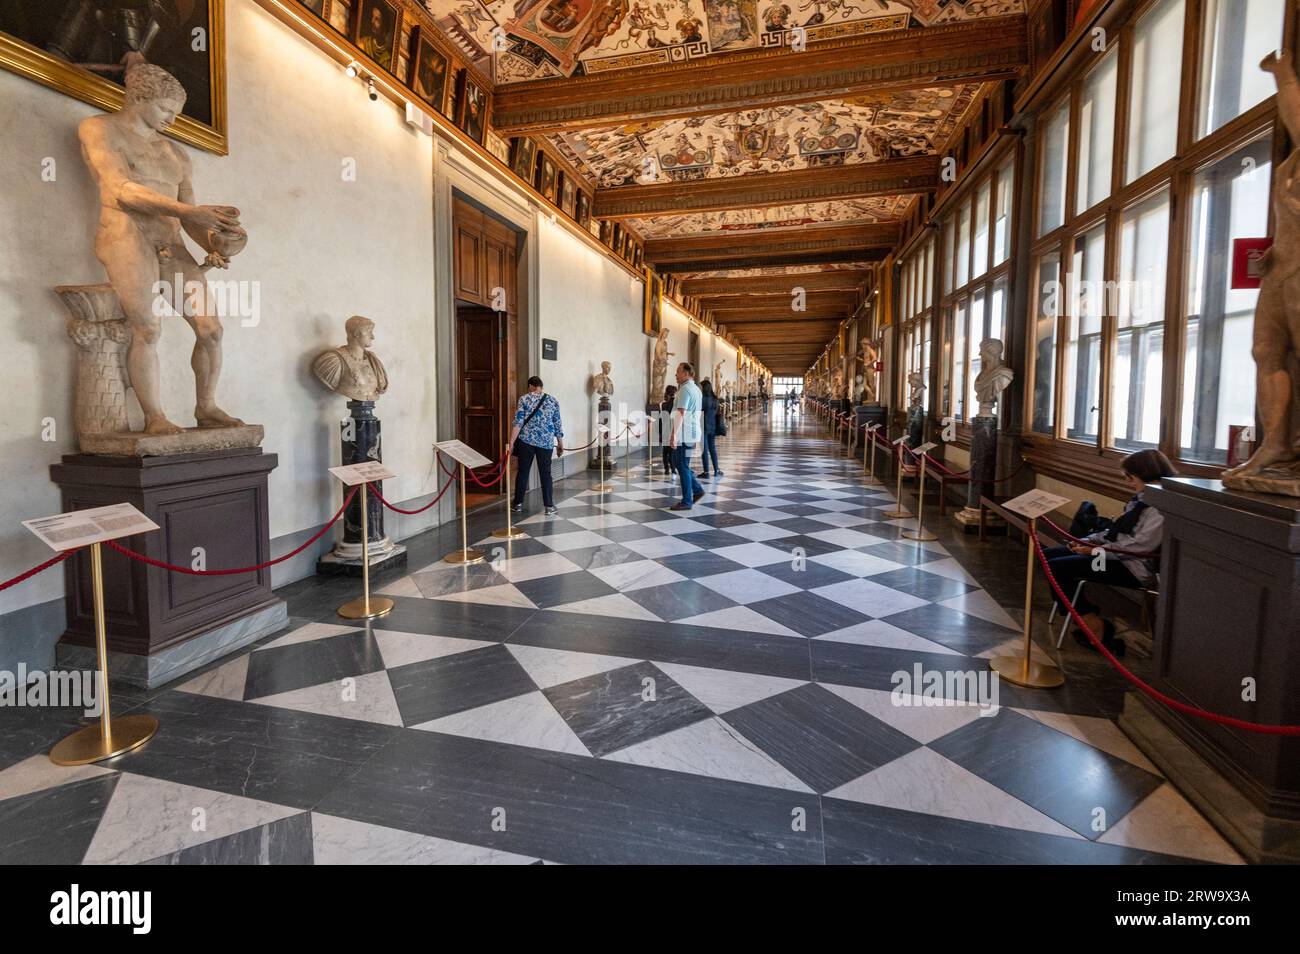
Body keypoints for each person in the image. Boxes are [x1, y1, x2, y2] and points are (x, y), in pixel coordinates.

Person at [1042, 449, 1177, 657]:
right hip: (1114, 555)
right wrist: (1085, 542)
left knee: (1058, 566)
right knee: (1049, 555)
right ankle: (1081, 615)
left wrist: (1094, 551)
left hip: (1132, 567)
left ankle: (1091, 622)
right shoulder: (1143, 498)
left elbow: (1140, 546)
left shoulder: (1160, 506)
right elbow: (1117, 531)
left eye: (1130, 477)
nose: (1128, 482)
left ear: (1145, 474)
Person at [508, 376, 564, 516]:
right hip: (546, 442)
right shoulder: (552, 400)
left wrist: (512, 442)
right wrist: (560, 443)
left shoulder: (524, 399)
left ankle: (518, 504)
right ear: (541, 386)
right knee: (546, 474)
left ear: (531, 386)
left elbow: (518, 422)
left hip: (526, 441)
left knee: (523, 472)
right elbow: (557, 423)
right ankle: (549, 506)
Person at [667, 362, 705, 511]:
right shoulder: (696, 389)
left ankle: (687, 501)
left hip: (684, 433)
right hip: (692, 432)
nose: (675, 374)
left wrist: (674, 435)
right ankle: (697, 490)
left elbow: (680, 413)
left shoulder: (684, 390)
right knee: (681, 464)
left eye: (678, 371)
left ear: (686, 373)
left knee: (681, 466)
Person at [698, 379, 724, 478]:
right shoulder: (715, 399)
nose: (699, 388)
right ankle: (717, 470)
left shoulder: (703, 399)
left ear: (704, 387)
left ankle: (706, 472)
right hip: (712, 426)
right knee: (712, 448)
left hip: (703, 426)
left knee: (704, 450)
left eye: (700, 387)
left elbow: (698, 412)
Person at [659, 384, 677, 478]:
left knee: (665, 451)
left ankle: (666, 469)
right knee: (672, 451)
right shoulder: (677, 403)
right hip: (674, 428)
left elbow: (661, 418)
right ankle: (673, 469)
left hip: (665, 428)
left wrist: (660, 431)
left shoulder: (663, 404)